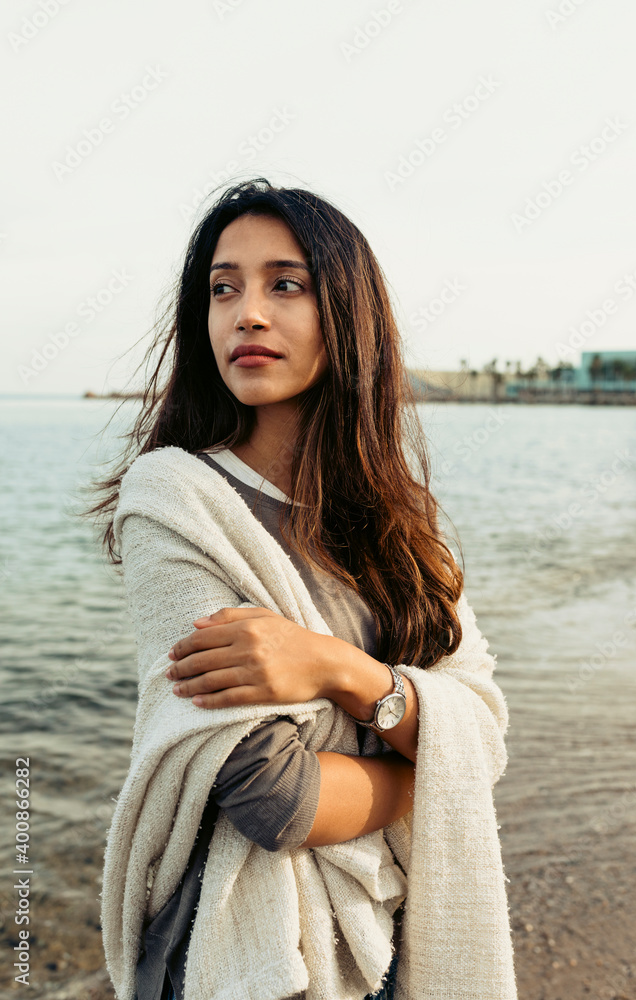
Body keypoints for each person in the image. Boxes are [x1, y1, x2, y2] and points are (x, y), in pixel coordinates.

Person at [90, 178, 517, 1000]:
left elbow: (484, 731)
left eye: (285, 284)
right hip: (238, 956)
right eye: (224, 288)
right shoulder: (176, 498)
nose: (247, 312)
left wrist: (333, 669)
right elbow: (273, 794)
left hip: (389, 935)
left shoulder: (403, 520)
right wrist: (431, 761)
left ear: (346, 317)